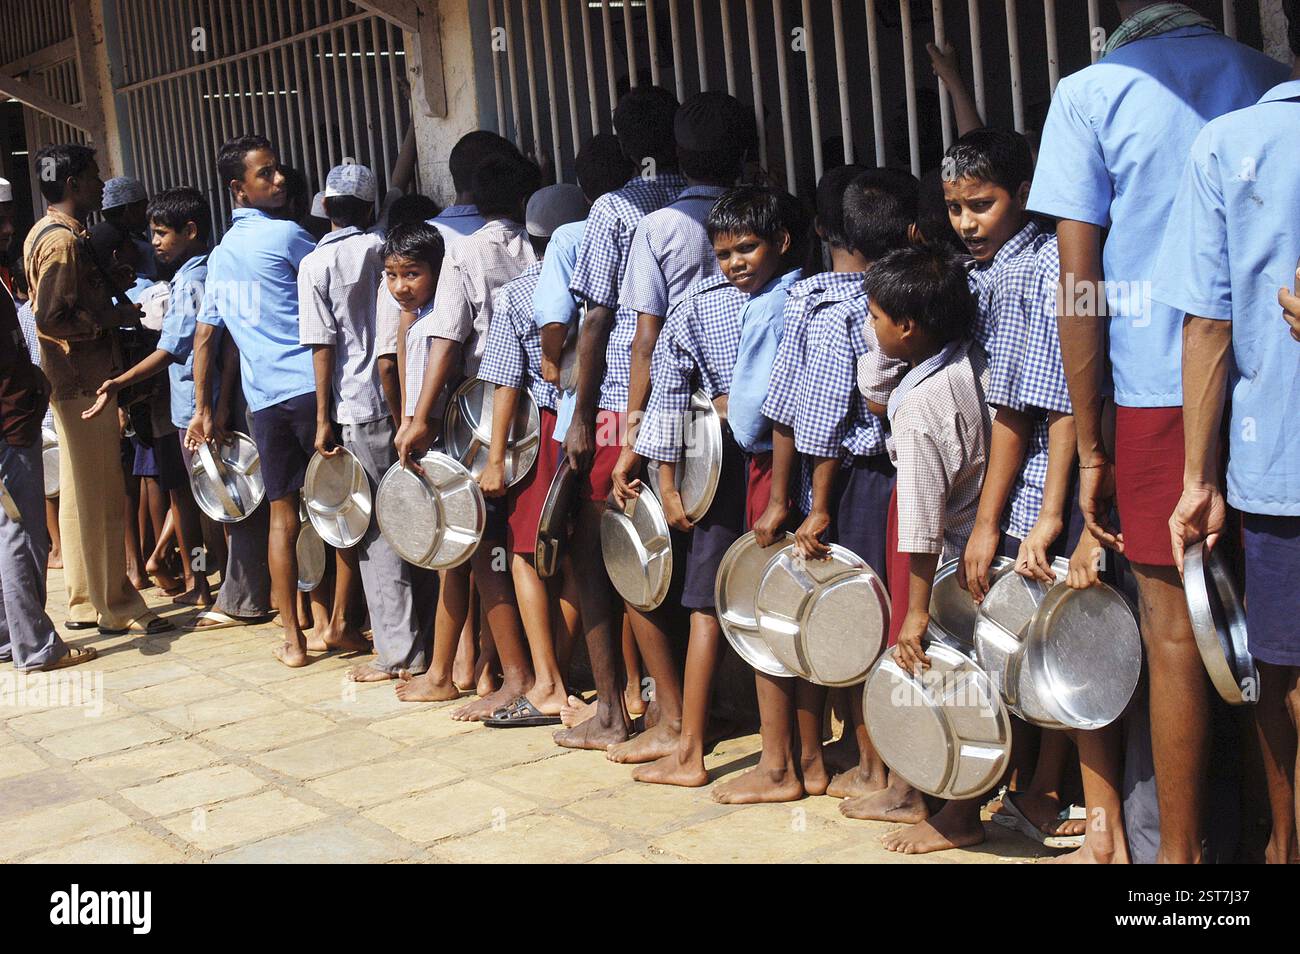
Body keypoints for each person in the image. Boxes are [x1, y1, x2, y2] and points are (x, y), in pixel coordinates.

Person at [1028, 0, 1287, 864]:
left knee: (1178, 634)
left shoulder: (1091, 93)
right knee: (1269, 636)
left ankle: (1178, 864)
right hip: (1267, 381)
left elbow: (1078, 280)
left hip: (1151, 390)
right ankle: (1267, 836)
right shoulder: (1266, 77)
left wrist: (1089, 432)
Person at [1160, 9, 1300, 865]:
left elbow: (1208, 325)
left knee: (1282, 675)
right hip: (1276, 463)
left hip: (1278, 457)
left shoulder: (1231, 145)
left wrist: (1197, 477)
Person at [631, 185, 807, 792]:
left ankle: (788, 756)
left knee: (772, 599)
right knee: (708, 601)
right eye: (724, 252)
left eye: (747, 249)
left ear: (781, 243)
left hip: (779, 466)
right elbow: (670, 392)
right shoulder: (704, 306)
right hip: (722, 463)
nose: (735, 264)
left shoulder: (801, 301)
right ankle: (692, 746)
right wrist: (666, 479)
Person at [603, 90, 752, 768]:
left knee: (655, 565)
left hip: (677, 425)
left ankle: (673, 717)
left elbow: (643, 342)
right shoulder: (761, 219)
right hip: (743, 422)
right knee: (727, 573)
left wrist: (629, 439)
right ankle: (712, 708)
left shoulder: (656, 226)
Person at [757, 168, 913, 810]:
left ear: (819, 232)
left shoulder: (819, 304)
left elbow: (807, 416)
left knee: (857, 620)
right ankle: (868, 754)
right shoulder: (907, 292)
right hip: (896, 476)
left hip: (849, 483)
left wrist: (804, 503)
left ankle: (876, 768)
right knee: (878, 616)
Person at [555, 85, 685, 751]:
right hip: (696, 412)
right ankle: (686, 706)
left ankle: (616, 710)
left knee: (604, 550)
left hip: (617, 411)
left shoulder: (615, 209)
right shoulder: (710, 198)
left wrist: (581, 417)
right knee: (678, 555)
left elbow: (599, 316)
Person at [187, 134, 347, 666]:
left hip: (265, 403)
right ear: (239, 188)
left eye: (278, 171)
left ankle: (294, 639)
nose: (278, 180)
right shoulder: (288, 237)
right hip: (311, 391)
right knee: (339, 507)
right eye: (266, 174)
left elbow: (206, 337)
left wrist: (203, 407)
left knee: (284, 519)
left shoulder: (219, 256)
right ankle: (337, 623)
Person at [394, 150, 541, 721]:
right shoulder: (537, 246)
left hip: (480, 420)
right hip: (536, 413)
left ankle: (516, 676)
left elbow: (447, 341)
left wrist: (419, 416)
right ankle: (491, 670)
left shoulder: (464, 254)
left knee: (482, 551)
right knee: (523, 549)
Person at [861, 245, 990, 853]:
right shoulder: (962, 360)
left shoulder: (920, 408)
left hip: (946, 564)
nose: (870, 324)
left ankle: (959, 816)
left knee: (952, 683)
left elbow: (919, 524)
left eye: (876, 315)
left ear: (908, 326)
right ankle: (934, 798)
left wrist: (914, 614)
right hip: (982, 550)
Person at [23, 143, 170, 637]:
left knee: (80, 493)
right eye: (92, 176)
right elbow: (51, 317)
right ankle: (117, 604)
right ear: (72, 185)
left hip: (70, 382)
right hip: (87, 381)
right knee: (105, 494)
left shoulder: (45, 231)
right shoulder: (62, 242)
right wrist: (115, 316)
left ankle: (85, 599)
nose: (101, 185)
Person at [299, 162, 425, 682]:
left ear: (326, 207)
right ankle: (423, 644)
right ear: (373, 207)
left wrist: (322, 418)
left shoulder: (315, 264)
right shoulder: (387, 248)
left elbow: (322, 346)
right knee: (413, 517)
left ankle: (399, 653)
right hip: (407, 399)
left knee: (375, 530)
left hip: (357, 405)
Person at [475, 183, 590, 726]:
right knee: (577, 554)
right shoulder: (601, 284)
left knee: (526, 553)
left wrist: (495, 458)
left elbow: (504, 382)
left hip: (546, 430)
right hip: (603, 422)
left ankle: (547, 682)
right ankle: (563, 675)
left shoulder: (521, 293)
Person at [81, 189, 225, 612]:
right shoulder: (191, 275)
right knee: (190, 501)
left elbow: (171, 349)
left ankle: (207, 579)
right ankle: (202, 576)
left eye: (162, 234)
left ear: (191, 231)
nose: (155, 242)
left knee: (198, 504)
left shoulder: (194, 280)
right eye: (153, 234)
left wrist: (118, 382)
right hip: (185, 405)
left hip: (192, 409)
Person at [0, 185, 96, 670]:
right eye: (0, 221)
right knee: (22, 534)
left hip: (13, 419)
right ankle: (36, 647)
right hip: (9, 427)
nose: (9, 229)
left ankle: (6, 635)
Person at [101, 176, 158, 280]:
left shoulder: (99, 245)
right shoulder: (147, 251)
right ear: (130, 211)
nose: (149, 212)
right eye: (145, 205)